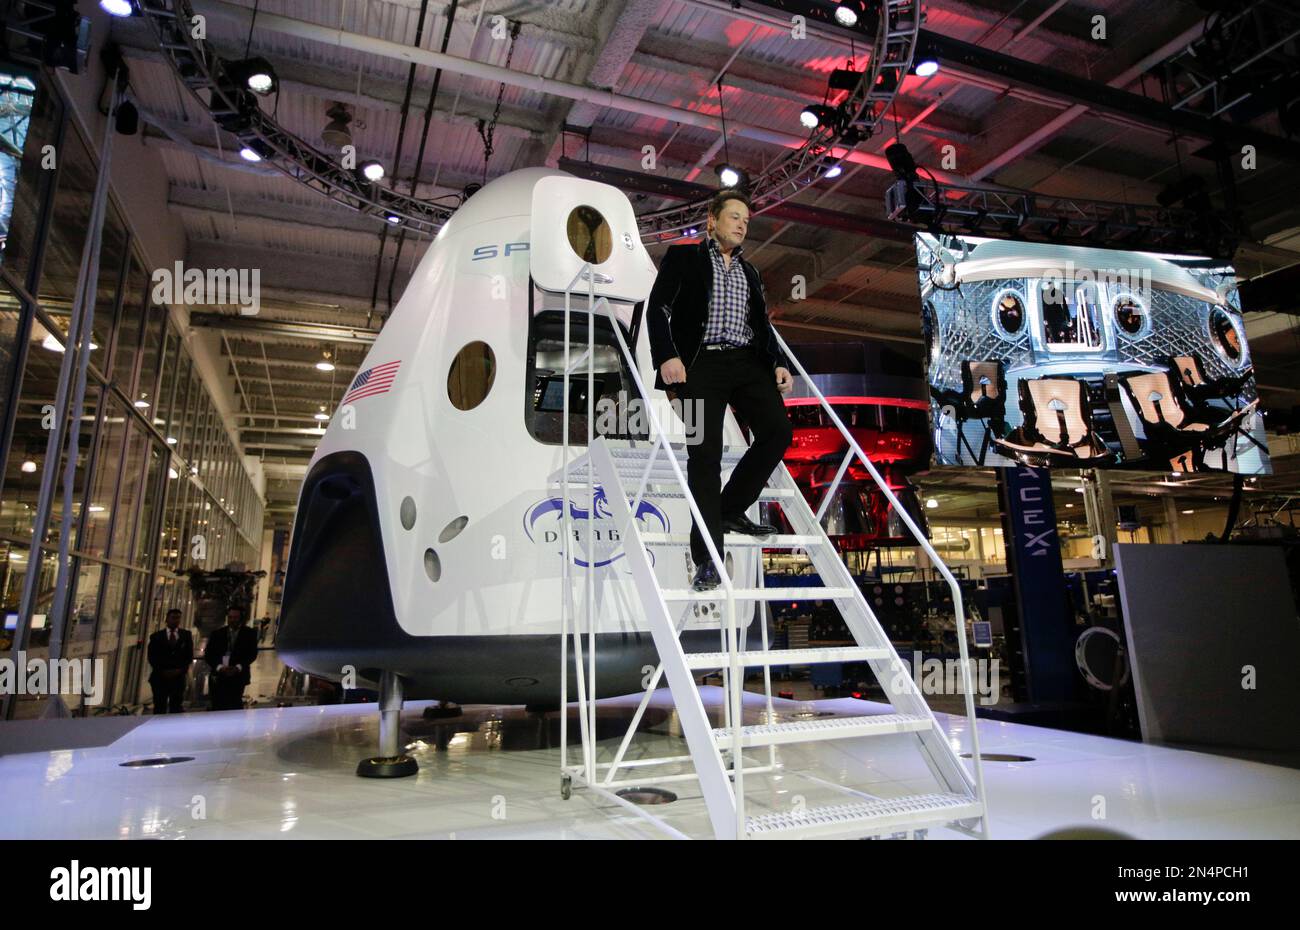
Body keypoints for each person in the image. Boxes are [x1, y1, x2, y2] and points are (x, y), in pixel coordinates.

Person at [647, 189, 795, 591]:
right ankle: (707, 559)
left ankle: (730, 509)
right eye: (734, 217)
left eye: (746, 221)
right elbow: (657, 308)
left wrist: (778, 362)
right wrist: (666, 356)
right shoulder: (682, 258)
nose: (742, 225)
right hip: (697, 368)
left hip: (746, 364)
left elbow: (762, 327)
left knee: (779, 433)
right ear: (712, 220)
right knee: (704, 456)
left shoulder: (751, 273)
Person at [203, 606, 259, 711]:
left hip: (238, 676)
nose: (232, 620)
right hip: (219, 677)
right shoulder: (217, 634)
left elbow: (252, 654)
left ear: (240, 618)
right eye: (230, 617)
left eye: (235, 617)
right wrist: (220, 667)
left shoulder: (249, 633)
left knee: (235, 705)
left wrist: (238, 667)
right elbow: (209, 654)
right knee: (218, 706)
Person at [146, 608, 193, 715]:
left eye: (178, 618)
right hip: (160, 677)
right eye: (173, 618)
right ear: (166, 619)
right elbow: (152, 656)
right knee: (159, 706)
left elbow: (188, 656)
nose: (176, 621)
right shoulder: (156, 636)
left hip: (178, 677)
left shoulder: (186, 635)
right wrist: (162, 671)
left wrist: (180, 670)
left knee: (176, 706)